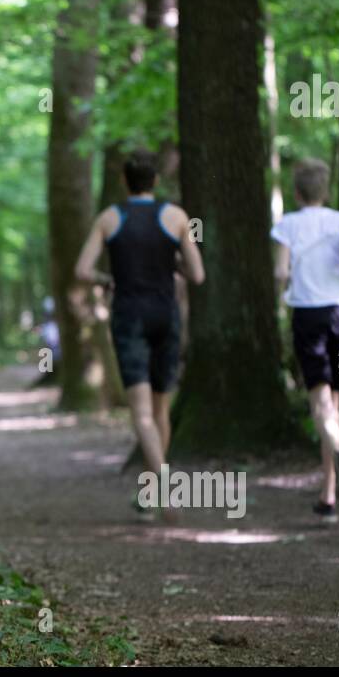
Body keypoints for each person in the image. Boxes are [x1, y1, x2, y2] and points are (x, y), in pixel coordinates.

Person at [74, 150, 205, 516]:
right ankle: (153, 494)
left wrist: (107, 280)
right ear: (156, 181)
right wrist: (171, 260)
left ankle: (164, 491)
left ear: (123, 181)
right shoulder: (175, 216)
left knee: (143, 413)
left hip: (129, 315)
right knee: (161, 409)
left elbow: (83, 270)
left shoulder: (110, 218)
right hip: (166, 314)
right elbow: (197, 275)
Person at [270, 158, 339, 519]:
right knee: (333, 405)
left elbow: (281, 269)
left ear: (296, 193)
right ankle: (328, 496)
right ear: (326, 191)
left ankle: (338, 463)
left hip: (308, 316)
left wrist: (284, 291)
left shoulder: (289, 225)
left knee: (321, 405)